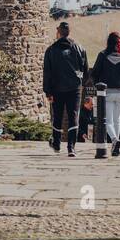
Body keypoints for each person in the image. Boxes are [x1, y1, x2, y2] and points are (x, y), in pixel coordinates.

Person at [43, 21, 89, 156]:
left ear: (58, 32)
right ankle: (71, 147)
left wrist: (48, 91)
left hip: (57, 89)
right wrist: (80, 82)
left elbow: (47, 73)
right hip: (74, 88)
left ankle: (57, 144)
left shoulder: (51, 50)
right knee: (73, 116)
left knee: (57, 116)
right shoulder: (79, 48)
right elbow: (85, 71)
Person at [91, 32, 120, 156]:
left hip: (107, 93)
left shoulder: (102, 56)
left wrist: (97, 85)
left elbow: (94, 73)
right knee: (117, 120)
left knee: (108, 120)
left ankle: (115, 140)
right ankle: (115, 148)